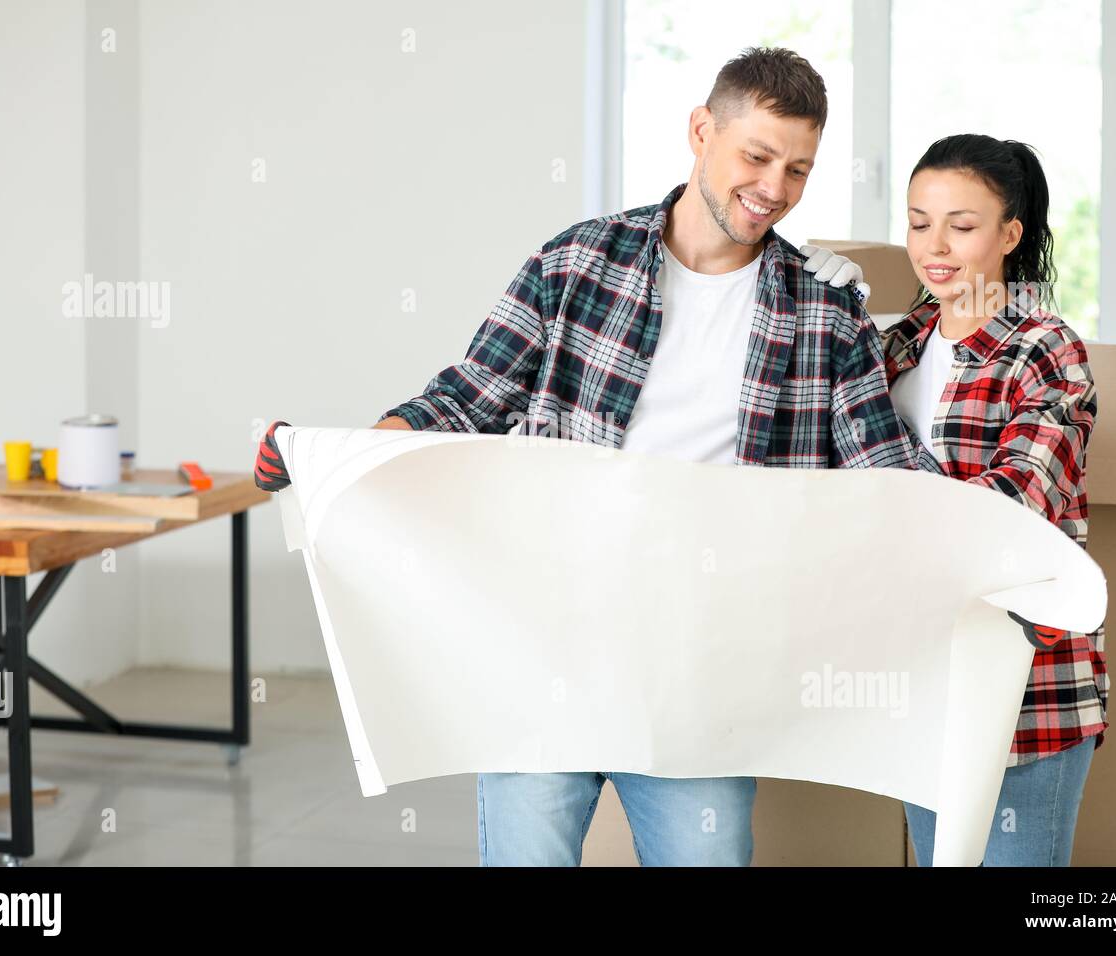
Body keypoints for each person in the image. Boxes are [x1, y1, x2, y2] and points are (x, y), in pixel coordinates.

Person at [255, 46, 939, 867]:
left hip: (704, 671)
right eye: (756, 156)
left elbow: (887, 475)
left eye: (798, 170)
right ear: (700, 131)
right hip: (550, 644)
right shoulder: (578, 263)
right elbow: (467, 398)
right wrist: (325, 457)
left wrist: (995, 539)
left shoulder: (823, 309)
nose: (774, 189)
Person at [881, 134, 1107, 866]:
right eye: (918, 222)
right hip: (923, 675)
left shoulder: (1045, 349)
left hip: (1025, 684)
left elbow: (1011, 506)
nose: (934, 245)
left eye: (961, 224)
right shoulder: (898, 346)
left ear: (1011, 233)